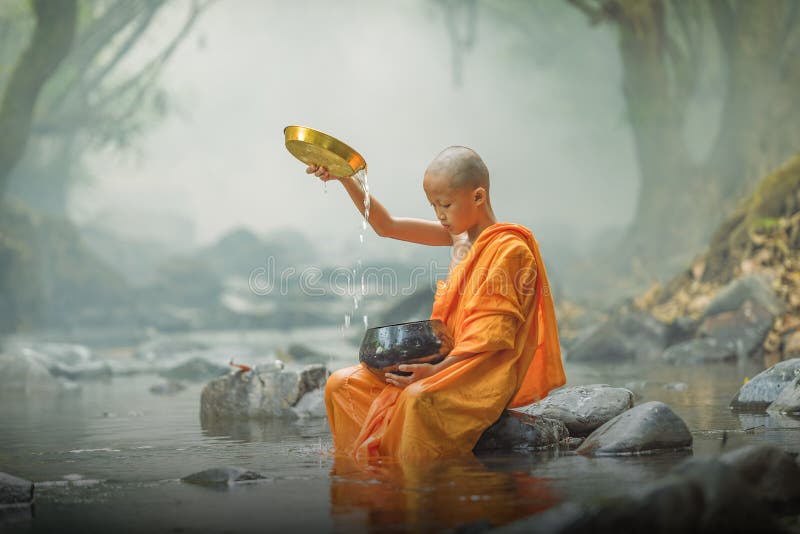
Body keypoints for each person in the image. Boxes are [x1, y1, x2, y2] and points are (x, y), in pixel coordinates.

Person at [307, 146, 565, 458]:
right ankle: (367, 483)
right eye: (433, 206)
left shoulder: (510, 249)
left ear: (478, 197)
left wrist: (437, 371)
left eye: (445, 204)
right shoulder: (458, 238)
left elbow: (491, 338)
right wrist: (345, 178)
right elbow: (385, 226)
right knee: (341, 384)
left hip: (479, 372)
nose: (439, 215)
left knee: (416, 398)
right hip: (440, 364)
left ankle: (411, 486)